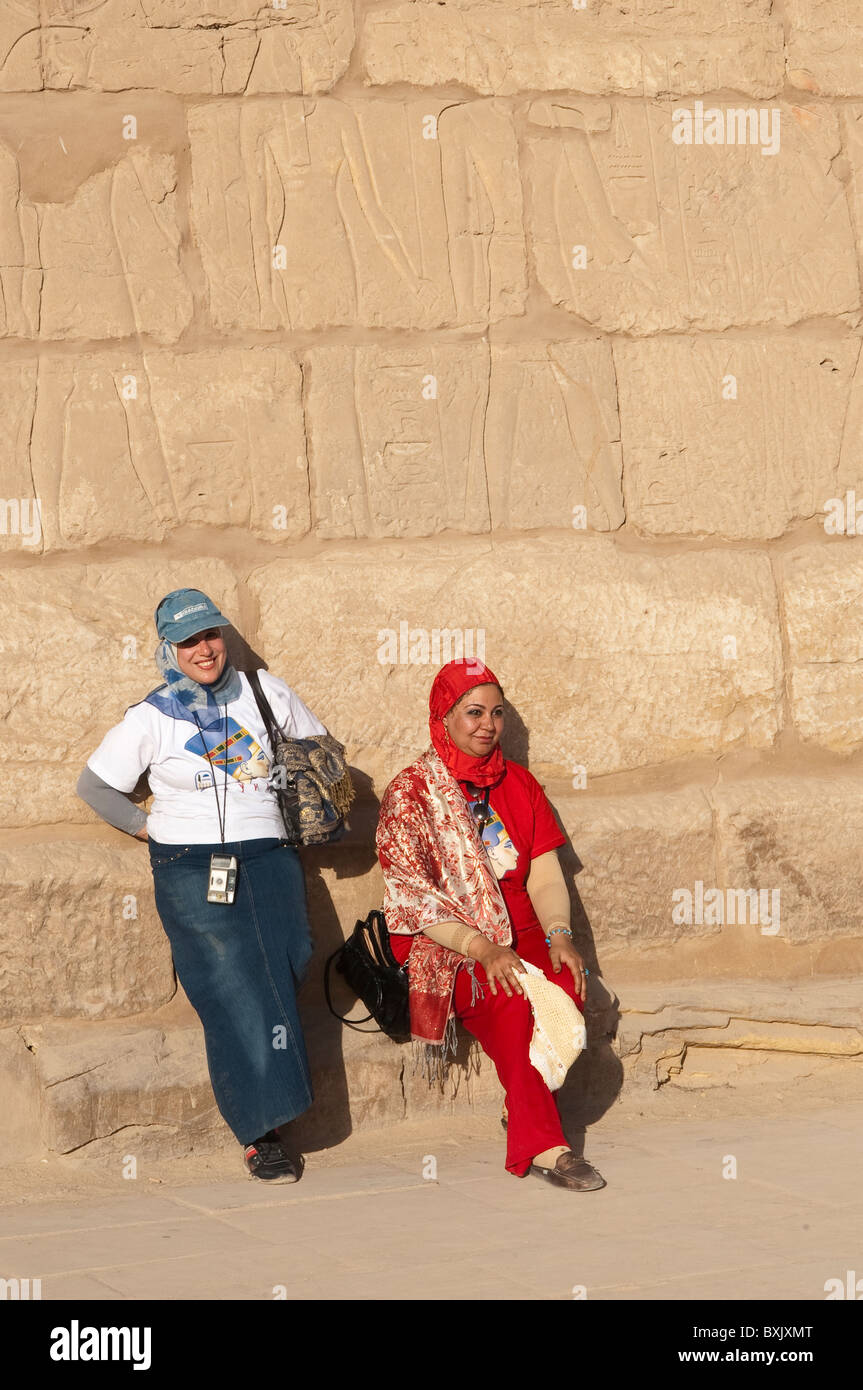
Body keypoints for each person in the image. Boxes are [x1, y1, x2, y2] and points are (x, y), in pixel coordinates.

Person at [77, 587, 328, 1183]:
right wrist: (147, 827)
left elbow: (317, 752)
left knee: (289, 962)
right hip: (193, 865)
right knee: (228, 985)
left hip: (269, 856)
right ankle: (259, 1133)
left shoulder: (266, 693)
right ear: (169, 649)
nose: (204, 650)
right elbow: (95, 787)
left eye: (211, 635)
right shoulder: (152, 715)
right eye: (188, 641)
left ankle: (278, 1100)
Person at [376, 658, 605, 1192]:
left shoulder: (518, 784)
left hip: (522, 923)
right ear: (444, 716)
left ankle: (525, 1110)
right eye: (473, 712)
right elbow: (412, 897)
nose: (487, 725)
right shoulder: (412, 795)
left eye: (496, 714)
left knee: (568, 982)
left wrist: (560, 935)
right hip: (450, 938)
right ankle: (548, 1146)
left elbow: (545, 873)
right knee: (510, 1001)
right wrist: (482, 949)